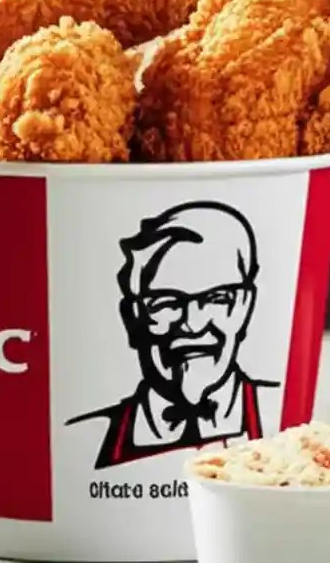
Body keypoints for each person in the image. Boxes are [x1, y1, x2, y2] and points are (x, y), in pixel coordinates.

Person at [67, 201, 276, 469]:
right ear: (132, 317)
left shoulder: (284, 424)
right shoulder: (81, 439)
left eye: (217, 298)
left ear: (245, 308)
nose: (194, 324)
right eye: (166, 303)